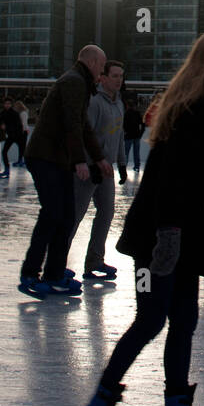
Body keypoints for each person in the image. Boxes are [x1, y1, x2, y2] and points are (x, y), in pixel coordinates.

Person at [78, 30, 204, 406]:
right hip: (159, 239)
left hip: (184, 237)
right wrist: (168, 238)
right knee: (151, 319)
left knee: (186, 319)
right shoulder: (193, 109)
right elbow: (171, 179)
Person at [18, 45, 112, 297]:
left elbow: (83, 128)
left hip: (57, 158)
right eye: (101, 66)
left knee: (66, 215)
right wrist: (81, 161)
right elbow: (72, 124)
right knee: (52, 214)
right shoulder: (74, 82)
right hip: (44, 156)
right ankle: (30, 273)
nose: (102, 71)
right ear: (92, 62)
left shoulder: (79, 81)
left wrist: (99, 158)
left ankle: (54, 273)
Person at [70, 59, 127, 280]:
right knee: (76, 214)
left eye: (121, 76)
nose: (119, 80)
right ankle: (57, 262)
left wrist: (121, 163)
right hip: (89, 168)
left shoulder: (119, 103)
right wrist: (88, 162)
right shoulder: (94, 102)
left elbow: (119, 135)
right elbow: (86, 134)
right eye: (114, 76)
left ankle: (94, 260)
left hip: (106, 169)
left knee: (106, 213)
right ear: (102, 78)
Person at [0, 98, 24, 178]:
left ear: (11, 104)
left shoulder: (14, 113)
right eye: (6, 103)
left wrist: (6, 127)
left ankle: (28, 166)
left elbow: (18, 125)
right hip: (11, 136)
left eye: (9, 103)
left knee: (23, 152)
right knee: (4, 151)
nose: (7, 105)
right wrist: (1, 125)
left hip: (17, 135)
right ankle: (7, 169)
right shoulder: (3, 113)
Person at [123, 97, 144, 171]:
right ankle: (137, 166)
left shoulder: (126, 114)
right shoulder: (137, 113)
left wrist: (124, 133)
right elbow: (142, 124)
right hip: (137, 136)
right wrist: (140, 134)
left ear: (127, 105)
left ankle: (124, 167)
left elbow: (123, 125)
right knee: (136, 152)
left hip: (128, 136)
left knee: (126, 153)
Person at [14, 100, 29, 167]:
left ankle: (22, 160)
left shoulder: (23, 113)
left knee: (22, 147)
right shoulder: (20, 113)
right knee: (21, 147)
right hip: (21, 131)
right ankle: (20, 160)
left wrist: (23, 130)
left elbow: (24, 123)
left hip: (23, 131)